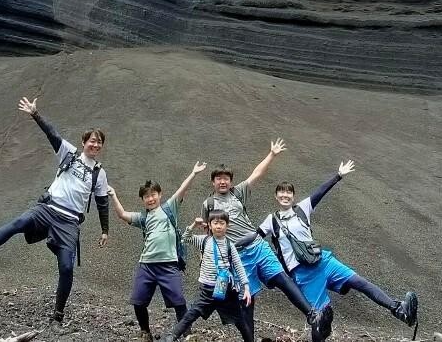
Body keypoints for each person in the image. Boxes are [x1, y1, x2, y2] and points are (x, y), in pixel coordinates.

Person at [0, 96, 110, 326]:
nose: (95, 145)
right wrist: (35, 114)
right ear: (83, 142)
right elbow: (52, 134)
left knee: (67, 267)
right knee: (19, 222)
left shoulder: (99, 174)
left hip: (69, 222)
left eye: (99, 142)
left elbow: (102, 203)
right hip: (48, 208)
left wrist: (105, 231)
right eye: (92, 140)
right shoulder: (68, 153)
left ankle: (58, 314)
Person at [255, 161, 419, 339]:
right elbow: (255, 239)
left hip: (323, 261)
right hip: (303, 274)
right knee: (320, 318)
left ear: (293, 196)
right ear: (276, 196)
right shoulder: (270, 220)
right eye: (281, 191)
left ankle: (399, 309)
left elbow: (320, 192)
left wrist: (338, 176)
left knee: (360, 282)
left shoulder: (302, 209)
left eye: (288, 192)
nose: (285, 195)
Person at [202, 139, 323, 340]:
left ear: (230, 181)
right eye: (218, 178)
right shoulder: (208, 204)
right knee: (247, 301)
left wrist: (272, 154)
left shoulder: (237, 192)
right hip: (237, 256)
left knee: (281, 277)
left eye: (226, 178)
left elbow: (256, 175)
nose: (222, 182)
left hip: (257, 246)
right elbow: (209, 235)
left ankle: (311, 314)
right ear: (213, 181)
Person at [108, 161, 208, 342]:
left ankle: (187, 334)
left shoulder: (169, 208)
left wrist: (193, 173)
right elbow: (122, 214)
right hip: (146, 265)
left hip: (169, 264)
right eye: (146, 196)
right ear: (143, 200)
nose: (150, 198)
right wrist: (114, 195)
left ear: (160, 195)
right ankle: (145, 332)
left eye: (153, 194)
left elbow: (181, 190)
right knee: (138, 302)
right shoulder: (143, 217)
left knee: (178, 301)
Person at [159, 209, 253, 342]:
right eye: (215, 223)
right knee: (191, 314)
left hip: (227, 291)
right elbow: (184, 239)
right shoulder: (204, 241)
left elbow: (238, 266)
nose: (219, 226)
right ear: (209, 225)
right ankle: (171, 337)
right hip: (207, 290)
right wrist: (193, 225)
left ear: (228, 225)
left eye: (222, 223)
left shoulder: (229, 245)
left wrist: (246, 287)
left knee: (240, 321)